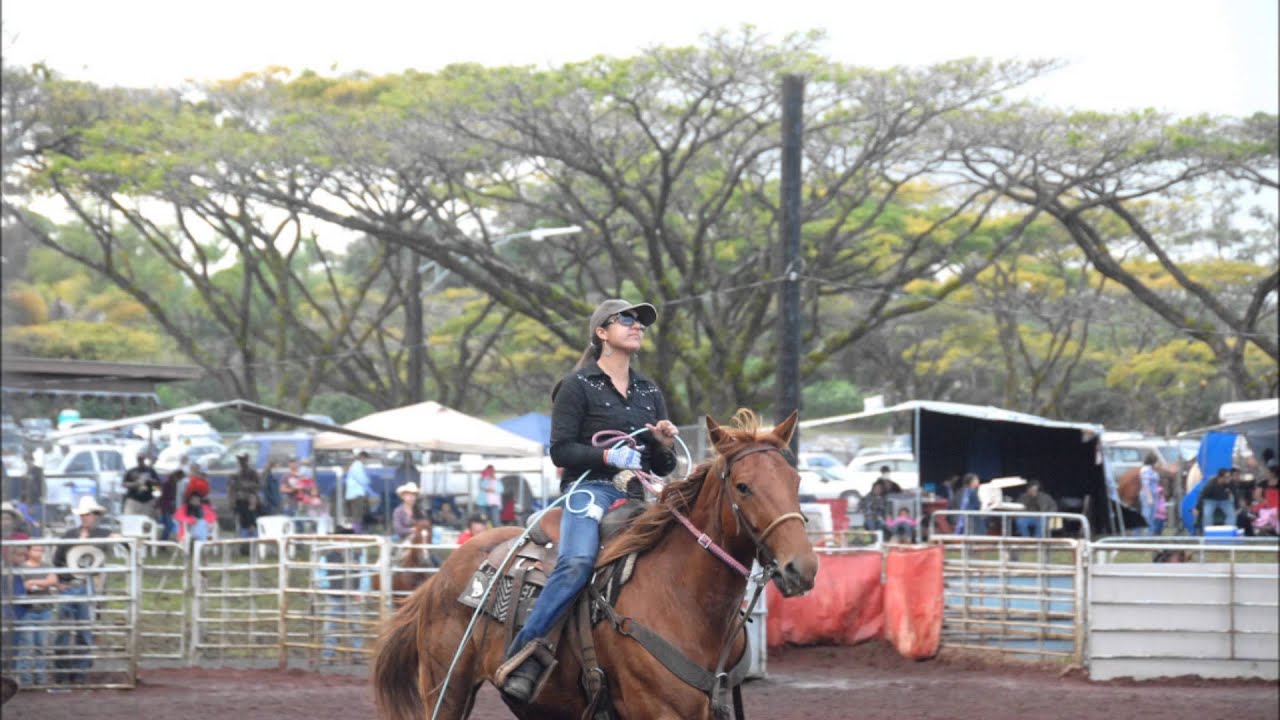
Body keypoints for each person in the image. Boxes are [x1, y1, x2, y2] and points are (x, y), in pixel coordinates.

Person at [499, 298, 678, 703]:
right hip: (590, 490)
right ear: (602, 333)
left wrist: (664, 445)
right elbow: (560, 451)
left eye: (641, 323)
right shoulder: (576, 386)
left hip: (642, 493)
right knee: (577, 561)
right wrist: (606, 456)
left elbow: (662, 465)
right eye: (627, 320)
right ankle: (525, 653)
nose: (638, 327)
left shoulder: (649, 390)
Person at [52, 496, 117, 684]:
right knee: (63, 632)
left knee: (85, 632)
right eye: (83, 514)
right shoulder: (70, 535)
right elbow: (58, 559)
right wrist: (60, 582)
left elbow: (115, 540)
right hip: (70, 585)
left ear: (95, 515)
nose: (86, 517)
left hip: (89, 585)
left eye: (89, 514)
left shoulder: (102, 533)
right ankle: (62, 673)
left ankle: (80, 672)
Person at [16, 543, 58, 686]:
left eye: (41, 550)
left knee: (41, 645)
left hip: (44, 610)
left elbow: (53, 581)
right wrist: (43, 583)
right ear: (28, 551)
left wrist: (33, 581)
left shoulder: (46, 565)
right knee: (27, 646)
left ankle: (41, 680)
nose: (39, 552)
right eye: (35, 549)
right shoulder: (21, 568)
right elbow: (23, 586)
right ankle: (26, 681)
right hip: (27, 610)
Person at [228, 453, 262, 541]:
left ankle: (253, 540)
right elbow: (232, 489)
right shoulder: (237, 474)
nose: (242, 463)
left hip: (251, 501)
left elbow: (258, 485)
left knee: (252, 522)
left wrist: (246, 485)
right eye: (240, 461)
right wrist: (232, 501)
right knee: (243, 522)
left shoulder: (252, 473)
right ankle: (244, 543)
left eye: (243, 460)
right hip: (240, 501)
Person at [121, 452, 161, 517]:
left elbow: (157, 485)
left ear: (144, 459)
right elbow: (124, 484)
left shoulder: (150, 471)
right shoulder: (131, 471)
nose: (140, 460)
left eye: (142, 459)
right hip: (134, 500)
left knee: (146, 522)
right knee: (131, 518)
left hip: (147, 500)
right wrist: (135, 484)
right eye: (139, 459)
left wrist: (156, 497)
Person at [343, 451, 375, 533]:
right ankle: (356, 532)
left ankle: (356, 531)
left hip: (353, 494)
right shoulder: (357, 466)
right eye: (366, 459)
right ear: (362, 457)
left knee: (356, 515)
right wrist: (369, 480)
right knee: (357, 516)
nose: (366, 461)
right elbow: (363, 480)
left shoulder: (355, 466)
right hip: (356, 494)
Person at [157, 469, 182, 542]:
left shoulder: (175, 485)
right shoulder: (167, 484)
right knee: (169, 525)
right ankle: (163, 541)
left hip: (170, 508)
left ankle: (163, 540)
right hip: (166, 508)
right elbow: (162, 496)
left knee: (169, 525)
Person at [1138, 453, 1160, 537]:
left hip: (1154, 495)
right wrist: (1149, 497)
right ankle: (1141, 535)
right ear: (1152, 461)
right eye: (1157, 461)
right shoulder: (1146, 470)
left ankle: (1149, 535)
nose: (1158, 463)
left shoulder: (1152, 470)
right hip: (1148, 495)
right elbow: (1145, 484)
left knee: (1152, 516)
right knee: (1146, 515)